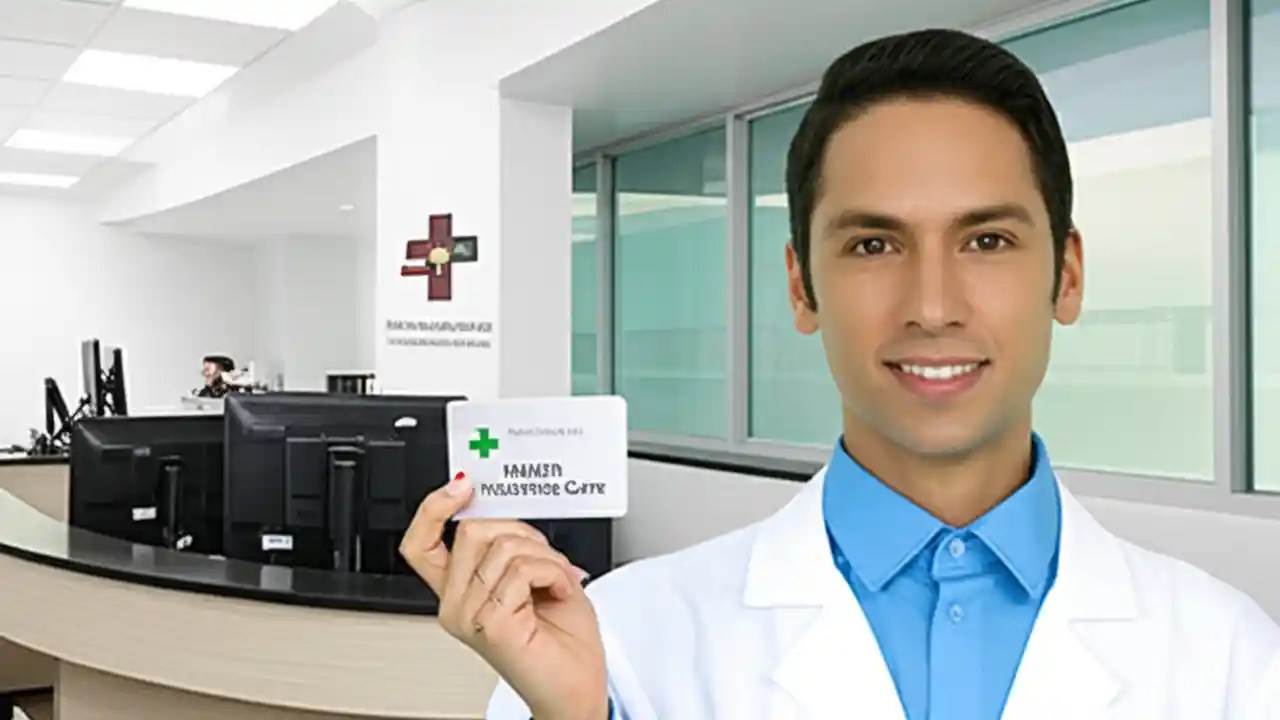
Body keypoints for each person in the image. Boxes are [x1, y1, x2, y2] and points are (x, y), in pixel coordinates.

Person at [399, 29, 1280, 720]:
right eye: (873, 243)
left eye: (987, 240)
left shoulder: (1228, 657)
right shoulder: (623, 643)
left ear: (1068, 274)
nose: (932, 304)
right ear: (801, 284)